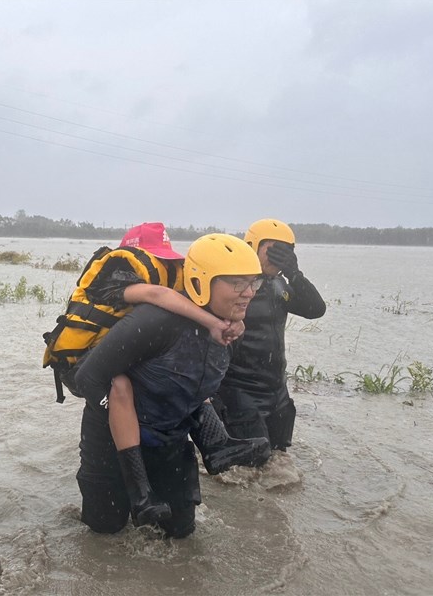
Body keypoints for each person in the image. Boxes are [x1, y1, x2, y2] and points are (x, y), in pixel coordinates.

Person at [43, 223, 246, 525]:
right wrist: (211, 321)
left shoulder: (177, 305)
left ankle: (216, 445)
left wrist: (229, 321)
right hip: (93, 373)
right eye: (157, 259)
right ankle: (138, 487)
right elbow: (156, 294)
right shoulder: (119, 278)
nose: (162, 266)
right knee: (120, 386)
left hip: (161, 419)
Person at [212, 219, 326, 457]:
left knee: (279, 459)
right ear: (252, 246)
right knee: (250, 466)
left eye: (285, 251)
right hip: (239, 391)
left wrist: (294, 273)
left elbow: (315, 309)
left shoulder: (279, 286)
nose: (278, 257)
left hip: (277, 392)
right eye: (272, 250)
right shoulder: (231, 285)